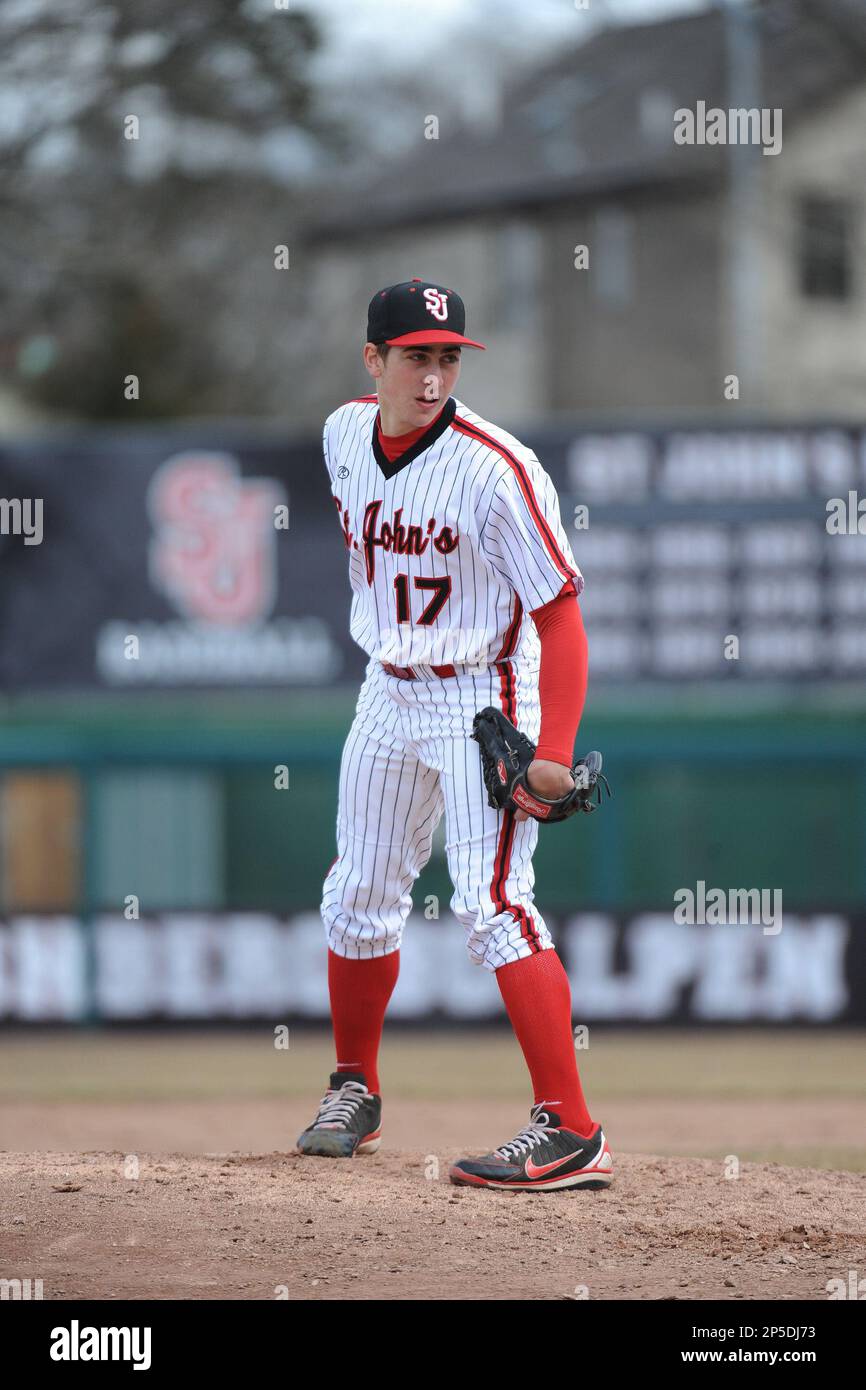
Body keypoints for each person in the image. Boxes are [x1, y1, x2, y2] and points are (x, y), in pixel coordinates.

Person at [296, 278, 612, 1191]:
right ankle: (354, 1090)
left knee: (494, 904)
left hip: (481, 692)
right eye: (414, 355)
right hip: (385, 690)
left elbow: (561, 612)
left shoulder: (495, 468)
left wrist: (551, 751)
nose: (432, 375)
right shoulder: (341, 435)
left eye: (446, 358)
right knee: (357, 893)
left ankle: (572, 1126)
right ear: (374, 360)